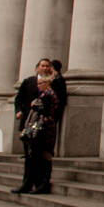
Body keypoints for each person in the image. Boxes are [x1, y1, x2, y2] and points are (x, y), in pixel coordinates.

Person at [11, 59, 64, 195]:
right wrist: (19, 111)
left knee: (42, 155)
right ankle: (29, 183)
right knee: (30, 156)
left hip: (43, 126)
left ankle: (41, 183)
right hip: (30, 125)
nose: (44, 68)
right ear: (36, 68)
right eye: (42, 65)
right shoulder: (28, 82)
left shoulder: (53, 88)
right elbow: (19, 99)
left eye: (47, 66)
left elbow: (58, 105)